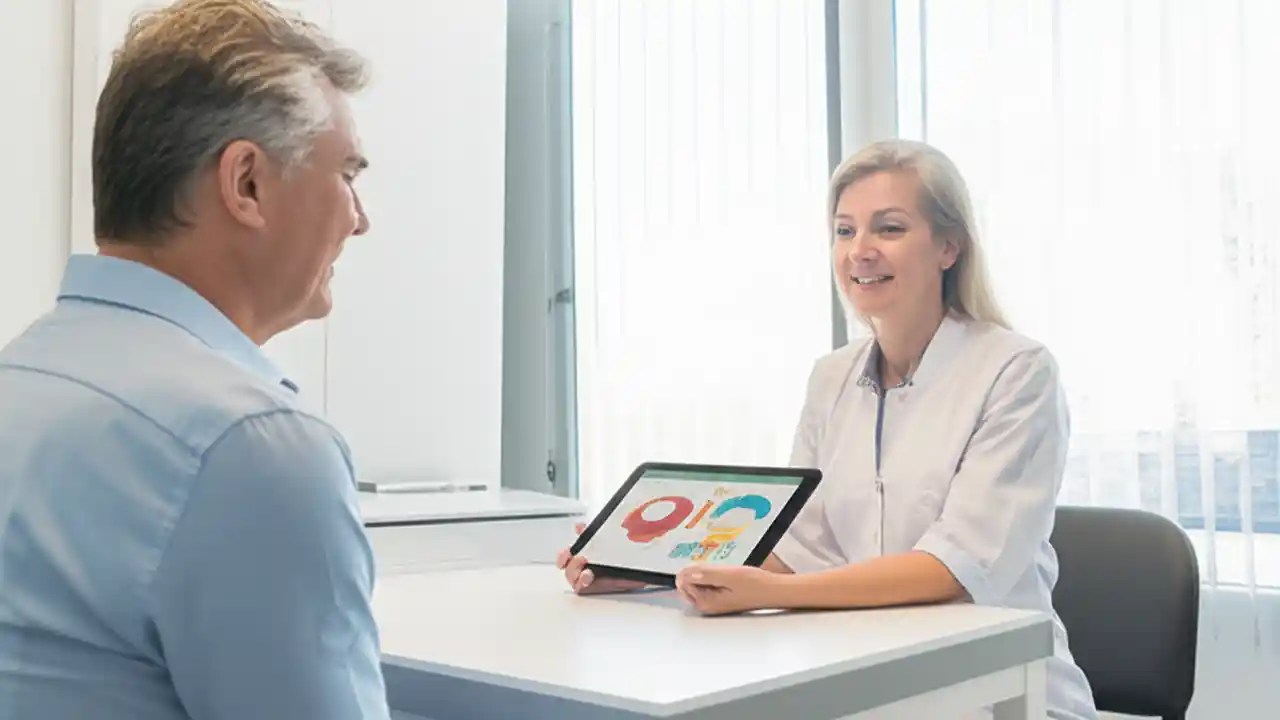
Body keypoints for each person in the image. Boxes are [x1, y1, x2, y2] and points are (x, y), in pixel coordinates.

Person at [557, 139, 1099, 719]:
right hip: (867, 680)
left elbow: (957, 567)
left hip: (998, 694)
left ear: (949, 246)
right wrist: (648, 574)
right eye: (845, 232)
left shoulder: (1015, 371)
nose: (860, 252)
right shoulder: (831, 378)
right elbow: (795, 548)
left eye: (888, 229)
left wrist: (773, 596)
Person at [0, 1, 390, 718]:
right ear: (246, 183)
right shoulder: (249, 447)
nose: (358, 219)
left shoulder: (19, 383)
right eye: (347, 173)